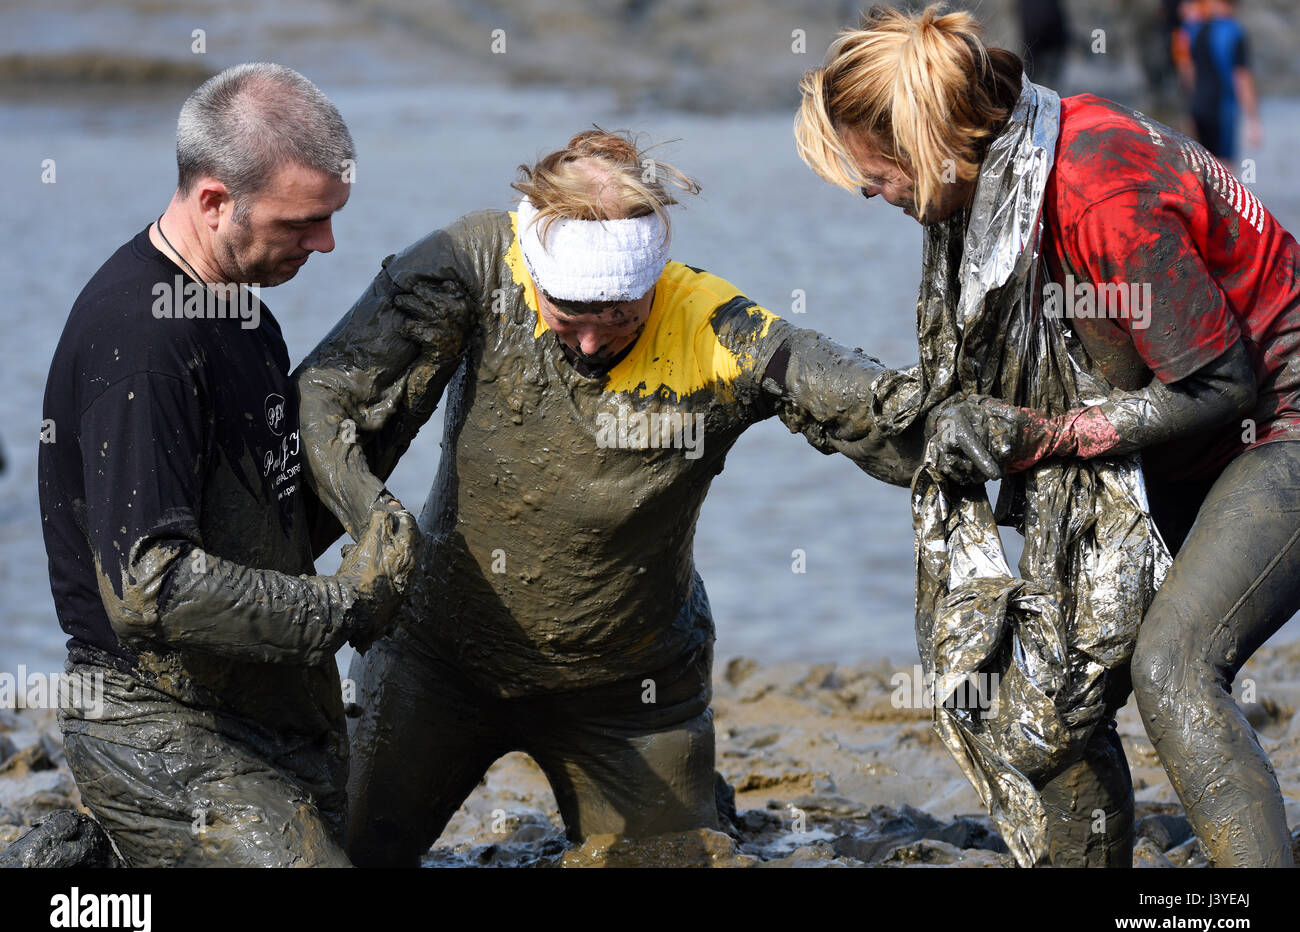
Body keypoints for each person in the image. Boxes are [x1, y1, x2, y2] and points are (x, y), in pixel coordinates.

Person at [294, 128, 922, 866]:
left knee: (677, 857)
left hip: (632, 687)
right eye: (570, 314)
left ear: (654, 281)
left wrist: (1008, 435)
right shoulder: (469, 263)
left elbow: (874, 412)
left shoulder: (719, 326)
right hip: (436, 659)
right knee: (337, 853)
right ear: (533, 267)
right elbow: (325, 392)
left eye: (620, 315)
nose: (591, 342)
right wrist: (373, 516)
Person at [796, 3, 1300, 867]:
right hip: (1175, 435)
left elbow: (1221, 381)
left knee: (1173, 666)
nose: (873, 197)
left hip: (1272, 426)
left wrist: (1046, 434)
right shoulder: (1001, 171)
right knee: (1053, 679)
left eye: (876, 177)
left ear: (928, 145)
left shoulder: (1096, 188)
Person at [37, 63, 418, 867]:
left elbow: (272, 521)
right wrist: (345, 605)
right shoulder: (144, 345)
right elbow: (151, 584)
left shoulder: (238, 307)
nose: (326, 243)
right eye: (303, 222)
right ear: (215, 201)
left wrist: (402, 400)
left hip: (267, 696)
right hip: (151, 719)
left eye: (331, 217)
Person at [1175, 0, 1261, 161]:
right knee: (1224, 169)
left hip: (1197, 107)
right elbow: (1242, 78)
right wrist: (1253, 120)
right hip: (1222, 110)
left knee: (1199, 167)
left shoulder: (1192, 29)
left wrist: (1189, 109)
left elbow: (1186, 71)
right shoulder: (1234, 32)